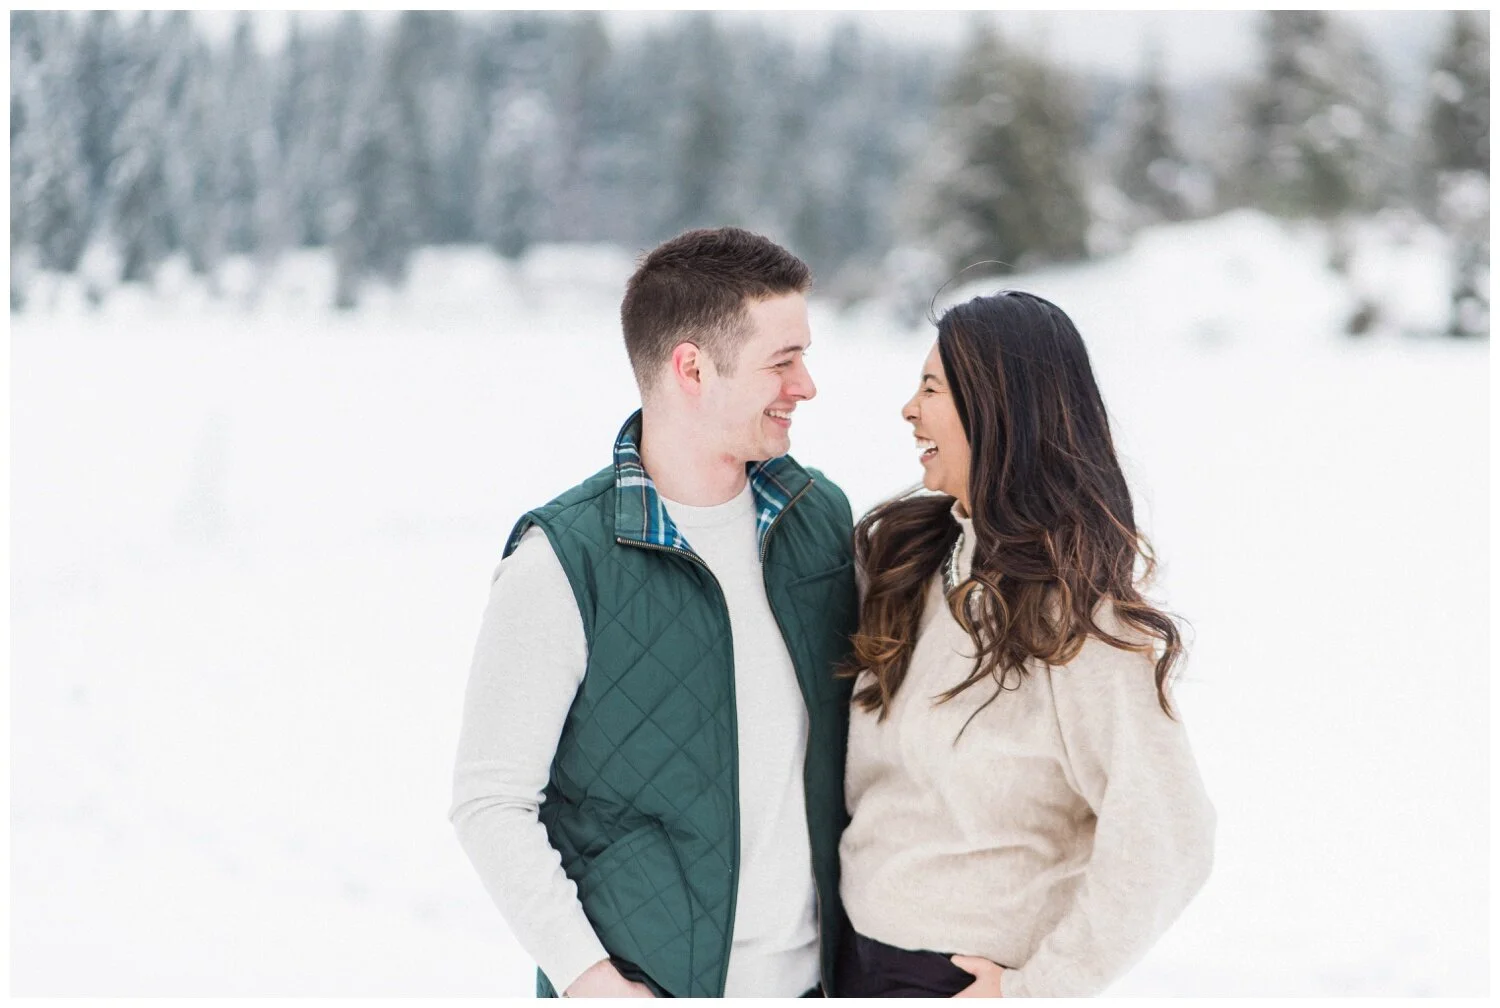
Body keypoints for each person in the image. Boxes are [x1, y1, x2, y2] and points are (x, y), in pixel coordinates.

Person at [448, 227, 858, 999]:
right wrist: (591, 981)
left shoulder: (820, 520)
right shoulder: (563, 562)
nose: (805, 385)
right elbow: (490, 802)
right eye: (782, 361)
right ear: (692, 368)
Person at [836, 290, 1216, 997]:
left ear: (997, 409)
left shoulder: (1077, 622)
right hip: (853, 961)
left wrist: (1037, 989)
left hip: (956, 979)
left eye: (931, 388)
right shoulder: (908, 563)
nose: (909, 409)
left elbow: (1168, 836)